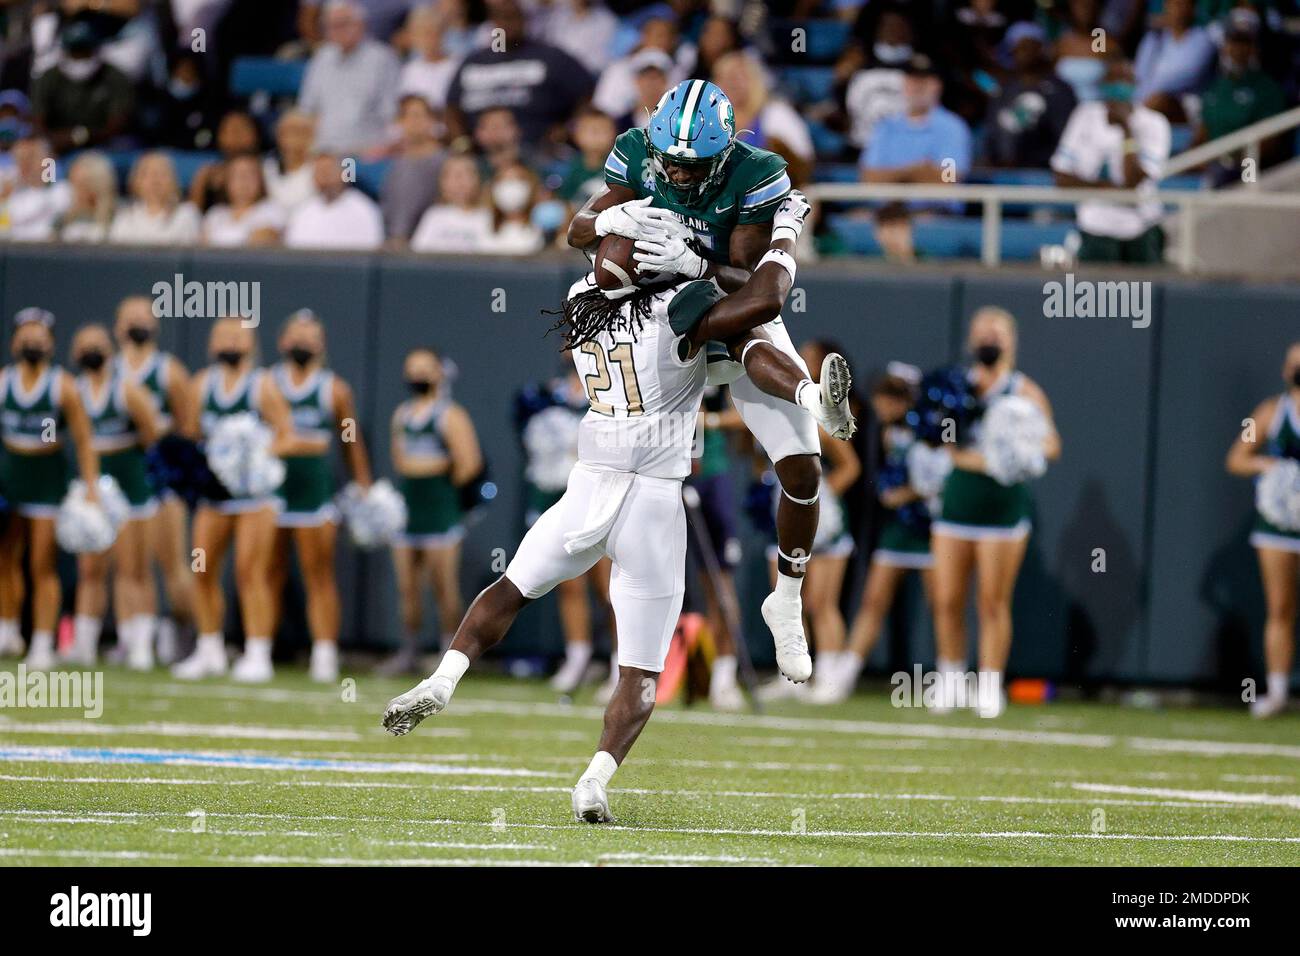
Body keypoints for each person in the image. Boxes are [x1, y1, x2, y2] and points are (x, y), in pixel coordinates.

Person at [382, 191, 853, 825]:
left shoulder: (580, 301)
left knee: (514, 586)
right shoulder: (678, 306)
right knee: (640, 665)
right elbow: (754, 329)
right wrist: (732, 276)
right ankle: (594, 779)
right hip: (652, 498)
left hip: (589, 484)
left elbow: (605, 252)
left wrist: (632, 239)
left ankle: (443, 676)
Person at [569, 79, 855, 684]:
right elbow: (581, 236)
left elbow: (755, 288)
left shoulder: (756, 172)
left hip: (725, 301)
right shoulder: (636, 151)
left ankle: (786, 597)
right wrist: (611, 218)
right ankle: (807, 392)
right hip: (654, 312)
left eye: (691, 165)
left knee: (803, 469)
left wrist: (695, 261)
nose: (675, 174)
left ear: (725, 152)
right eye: (668, 161)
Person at [929, 308, 1061, 718]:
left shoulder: (1024, 392)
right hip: (957, 504)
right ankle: (950, 678)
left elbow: (1052, 445)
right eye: (981, 331)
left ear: (1011, 342)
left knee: (992, 601)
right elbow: (937, 438)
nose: (988, 339)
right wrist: (980, 459)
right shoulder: (954, 384)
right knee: (947, 599)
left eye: (997, 332)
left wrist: (1021, 455)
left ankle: (988, 684)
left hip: (1002, 512)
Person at [170, 319, 304, 682]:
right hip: (215, 495)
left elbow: (288, 436)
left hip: (255, 497)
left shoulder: (262, 386)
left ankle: (258, 652)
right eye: (223, 336)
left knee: (249, 571)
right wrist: (203, 463)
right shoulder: (201, 385)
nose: (230, 342)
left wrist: (254, 455)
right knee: (202, 568)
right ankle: (209, 648)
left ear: (251, 344)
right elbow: (192, 435)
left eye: (237, 336)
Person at [267, 311, 373, 683]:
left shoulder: (334, 388)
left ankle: (325, 654)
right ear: (282, 342)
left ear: (323, 346)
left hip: (316, 492)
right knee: (267, 571)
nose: (304, 344)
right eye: (297, 336)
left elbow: (351, 441)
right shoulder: (266, 384)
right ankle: (259, 651)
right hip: (271, 490)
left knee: (319, 573)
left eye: (312, 337)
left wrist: (363, 486)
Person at [823, 364, 935, 704]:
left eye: (890, 399)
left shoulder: (927, 431)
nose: (882, 407)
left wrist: (909, 494)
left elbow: (936, 478)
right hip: (896, 530)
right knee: (873, 601)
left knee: (944, 606)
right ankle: (843, 676)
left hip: (931, 530)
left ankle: (950, 677)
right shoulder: (886, 432)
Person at [0, 309, 101, 670]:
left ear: (52, 344)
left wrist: (91, 488)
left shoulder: (62, 386)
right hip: (10, 478)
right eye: (25, 335)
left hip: (46, 482)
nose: (32, 343)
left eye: (40, 337)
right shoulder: (3, 382)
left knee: (42, 564)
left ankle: (43, 642)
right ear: (13, 341)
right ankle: (8, 629)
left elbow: (85, 441)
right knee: (5, 558)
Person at [380, 347, 482, 675]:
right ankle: (409, 650)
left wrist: (432, 468)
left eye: (425, 369)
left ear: (439, 373)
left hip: (441, 513)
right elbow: (399, 461)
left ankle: (448, 654)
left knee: (444, 587)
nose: (418, 376)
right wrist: (432, 464)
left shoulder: (450, 415)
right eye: (412, 369)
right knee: (408, 588)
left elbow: (469, 464)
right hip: (409, 514)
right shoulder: (402, 414)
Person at [516, 368, 617, 696]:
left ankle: (621, 664)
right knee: (568, 583)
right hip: (559, 493)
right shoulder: (547, 392)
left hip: (599, 492)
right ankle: (578, 656)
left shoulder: (615, 384)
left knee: (609, 587)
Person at [67, 325, 160, 668]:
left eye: (98, 345)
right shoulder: (73, 392)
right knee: (90, 569)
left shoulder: (128, 391)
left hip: (132, 490)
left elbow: (152, 436)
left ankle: (140, 647)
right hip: (93, 491)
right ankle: (84, 644)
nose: (92, 351)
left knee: (132, 568)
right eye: (85, 345)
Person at [115, 295, 195, 666]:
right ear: (117, 327)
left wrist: (155, 428)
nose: (136, 323)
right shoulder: (111, 371)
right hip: (121, 478)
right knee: (127, 564)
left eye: (143, 317)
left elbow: (189, 425)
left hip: (161, 478)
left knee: (172, 562)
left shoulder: (168, 370)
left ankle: (187, 633)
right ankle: (129, 636)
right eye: (129, 318)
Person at [1225, 341, 1300, 718]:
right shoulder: (1270, 412)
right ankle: (1277, 691)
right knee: (1281, 607)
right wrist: (1269, 467)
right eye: (1292, 363)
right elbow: (1237, 457)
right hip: (1278, 524)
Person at [1050, 73, 1171, 264]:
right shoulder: (1085, 115)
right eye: (1113, 80)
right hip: (1094, 226)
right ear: (1103, 84)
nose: (1118, 86)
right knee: (1098, 293)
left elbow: (1133, 182)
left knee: (1142, 293)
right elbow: (1061, 177)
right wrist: (1109, 190)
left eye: (1124, 80)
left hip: (1141, 226)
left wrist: (1126, 129)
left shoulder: (1154, 122)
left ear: (1135, 84)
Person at [445, 0, 593, 147]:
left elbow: (587, 94)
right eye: (501, 18)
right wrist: (461, 141)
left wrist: (568, 129)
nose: (507, 24)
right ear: (493, 24)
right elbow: (452, 107)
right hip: (480, 152)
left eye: (512, 18)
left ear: (524, 21)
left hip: (539, 149)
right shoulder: (474, 61)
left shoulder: (550, 57)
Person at [860, 54, 972, 198]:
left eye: (924, 80)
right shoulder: (886, 126)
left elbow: (948, 180)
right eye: (912, 80)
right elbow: (869, 179)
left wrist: (893, 177)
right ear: (905, 83)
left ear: (937, 85)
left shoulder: (953, 128)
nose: (917, 86)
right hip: (887, 211)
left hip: (935, 212)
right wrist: (917, 171)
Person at [298, 0, 402, 153]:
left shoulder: (382, 58)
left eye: (344, 24)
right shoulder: (321, 57)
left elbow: (392, 113)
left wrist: (382, 148)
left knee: (349, 174)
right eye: (331, 26)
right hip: (325, 151)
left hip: (365, 150)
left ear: (361, 24)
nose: (338, 31)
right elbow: (308, 109)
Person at [29, 19, 133, 154]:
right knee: (38, 154)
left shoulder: (114, 77)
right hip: (56, 147)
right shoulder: (48, 78)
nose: (80, 59)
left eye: (85, 52)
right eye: (75, 52)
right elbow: (37, 123)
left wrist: (81, 136)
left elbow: (117, 126)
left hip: (104, 147)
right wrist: (57, 140)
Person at [982, 22, 1076, 169]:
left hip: (1041, 174)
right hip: (1001, 175)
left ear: (1040, 48)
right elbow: (992, 134)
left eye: (1026, 45)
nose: (1020, 51)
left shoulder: (1059, 90)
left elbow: (1065, 139)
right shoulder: (1003, 89)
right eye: (1015, 47)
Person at [713, 52, 814, 185]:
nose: (732, 83)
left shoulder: (776, 113)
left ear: (755, 81)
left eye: (739, 77)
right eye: (725, 77)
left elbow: (805, 163)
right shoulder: (707, 120)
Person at [283, 151, 384, 250]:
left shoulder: (363, 210)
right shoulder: (303, 211)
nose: (324, 176)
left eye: (328, 170)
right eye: (319, 171)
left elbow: (371, 252)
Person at [1133, 0, 1216, 121]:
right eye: (1172, 4)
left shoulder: (1203, 39)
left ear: (1192, 8)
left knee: (1159, 100)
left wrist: (1152, 93)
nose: (1178, 9)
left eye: (1182, 4)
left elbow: (1188, 76)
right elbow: (1139, 75)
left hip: (1183, 102)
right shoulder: (1153, 38)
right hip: (1146, 99)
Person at [381, 94, 445, 244]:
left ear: (432, 120)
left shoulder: (445, 162)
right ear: (400, 122)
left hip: (431, 243)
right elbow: (349, 166)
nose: (414, 122)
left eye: (419, 115)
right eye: (408, 116)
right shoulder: (393, 166)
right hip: (393, 245)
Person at [109, 152, 202, 245]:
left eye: (162, 174)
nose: (155, 181)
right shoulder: (124, 217)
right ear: (135, 181)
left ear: (173, 180)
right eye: (147, 174)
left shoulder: (187, 214)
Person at [409, 153, 493, 253]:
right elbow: (418, 253)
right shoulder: (434, 215)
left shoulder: (486, 216)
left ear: (477, 180)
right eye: (453, 175)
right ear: (442, 183)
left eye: (466, 174)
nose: (459, 181)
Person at [201, 153, 286, 247]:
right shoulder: (215, 213)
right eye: (237, 175)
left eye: (249, 175)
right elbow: (203, 247)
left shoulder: (271, 209)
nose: (243, 181)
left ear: (260, 180)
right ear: (226, 181)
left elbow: (262, 241)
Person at [2, 135, 70, 241]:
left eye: (31, 158)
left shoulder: (61, 191)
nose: (25, 165)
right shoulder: (10, 190)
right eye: (19, 160)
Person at [54, 150, 117, 242]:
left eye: (82, 185)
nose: (76, 192)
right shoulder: (62, 221)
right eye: (73, 184)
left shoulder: (116, 218)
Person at [263, 111, 318, 214]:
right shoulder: (267, 167)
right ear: (278, 136)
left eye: (300, 131)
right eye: (287, 131)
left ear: (312, 135)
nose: (293, 136)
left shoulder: (320, 168)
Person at [485, 162, 543, 254]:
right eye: (504, 180)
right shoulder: (482, 223)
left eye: (518, 180)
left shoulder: (542, 226)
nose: (511, 186)